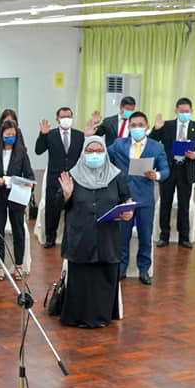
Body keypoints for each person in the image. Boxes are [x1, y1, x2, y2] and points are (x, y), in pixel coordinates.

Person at [57, 137, 134, 328]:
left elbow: (126, 199)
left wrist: (128, 212)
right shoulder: (72, 176)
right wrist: (65, 195)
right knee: (81, 279)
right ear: (83, 153)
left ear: (105, 153)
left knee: (103, 278)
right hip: (80, 237)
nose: (94, 155)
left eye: (99, 151)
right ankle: (78, 317)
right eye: (90, 151)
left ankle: (101, 317)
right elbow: (57, 206)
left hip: (107, 237)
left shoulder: (116, 176)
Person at [106, 111, 170, 285]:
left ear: (147, 127)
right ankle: (122, 267)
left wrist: (156, 175)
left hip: (145, 200)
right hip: (124, 199)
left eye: (140, 125)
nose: (137, 128)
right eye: (133, 125)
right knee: (122, 236)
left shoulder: (157, 147)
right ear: (128, 127)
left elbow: (166, 170)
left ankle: (144, 269)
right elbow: (103, 156)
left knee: (145, 235)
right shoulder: (119, 145)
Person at [149, 98, 195, 248]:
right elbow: (152, 142)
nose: (185, 114)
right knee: (165, 203)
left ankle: (184, 237)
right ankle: (164, 235)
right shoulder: (167, 126)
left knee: (184, 205)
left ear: (192, 111)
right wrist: (156, 128)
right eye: (182, 111)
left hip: (186, 169)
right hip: (168, 169)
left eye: (187, 111)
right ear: (176, 111)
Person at [0, 120, 35, 282]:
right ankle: (0, 266)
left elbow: (29, 175)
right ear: (1, 135)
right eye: (7, 135)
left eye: (13, 135)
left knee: (18, 230)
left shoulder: (21, 152)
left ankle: (19, 265)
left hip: (16, 195)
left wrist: (26, 182)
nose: (10, 138)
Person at [35, 107, 83, 248]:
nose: (66, 119)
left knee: (73, 208)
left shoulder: (79, 135)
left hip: (73, 177)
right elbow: (38, 151)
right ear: (57, 119)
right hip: (54, 177)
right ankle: (50, 237)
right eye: (63, 117)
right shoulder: (50, 134)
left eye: (69, 116)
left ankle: (72, 237)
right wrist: (42, 135)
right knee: (52, 210)